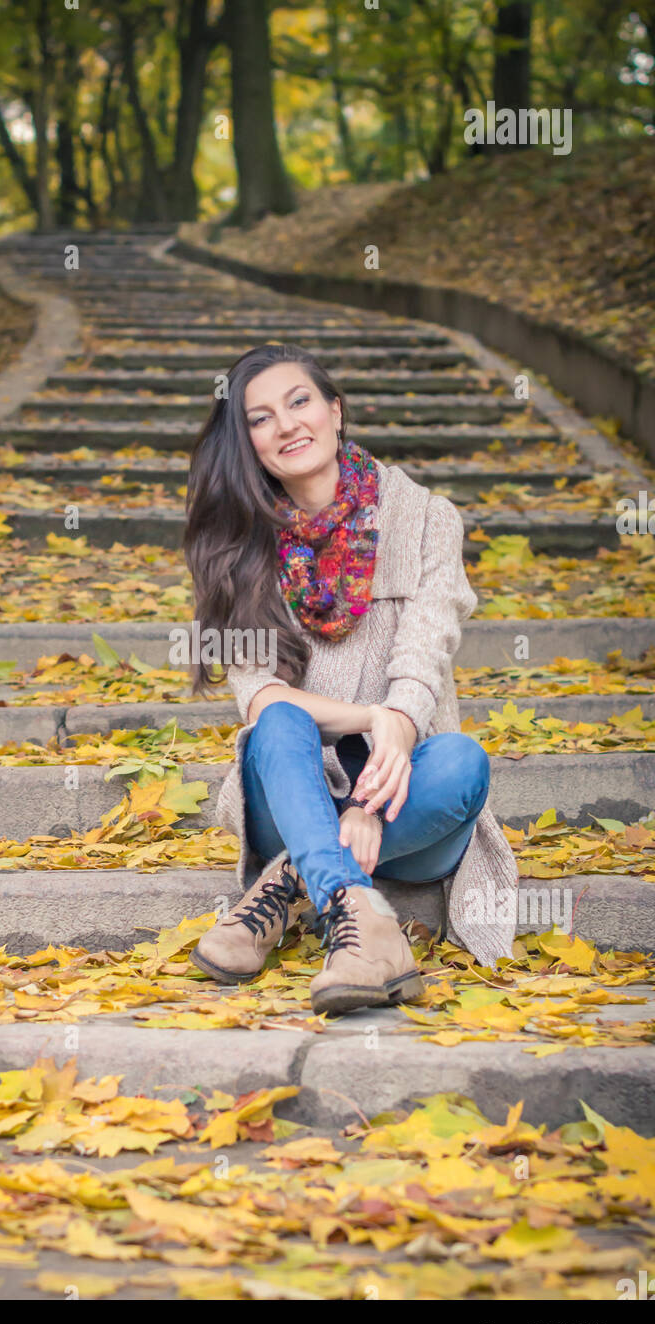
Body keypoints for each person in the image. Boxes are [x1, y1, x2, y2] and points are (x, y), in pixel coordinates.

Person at [183, 343, 518, 1017]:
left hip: (408, 800)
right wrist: (375, 720)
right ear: (246, 443)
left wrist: (374, 790)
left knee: (462, 760)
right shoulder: (241, 551)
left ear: (334, 411)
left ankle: (294, 883)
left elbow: (425, 654)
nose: (286, 425)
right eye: (260, 418)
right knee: (277, 722)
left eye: (299, 401)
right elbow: (264, 696)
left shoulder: (426, 518)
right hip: (290, 794)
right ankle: (366, 926)